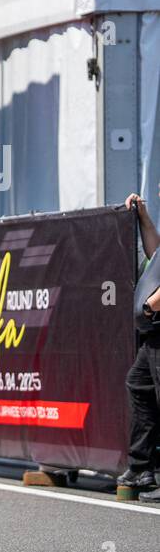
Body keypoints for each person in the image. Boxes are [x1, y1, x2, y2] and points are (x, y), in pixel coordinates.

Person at [122, 192, 160, 498]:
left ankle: (143, 468)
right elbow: (154, 251)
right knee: (139, 385)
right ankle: (141, 469)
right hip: (153, 335)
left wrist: (151, 305)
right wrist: (143, 216)